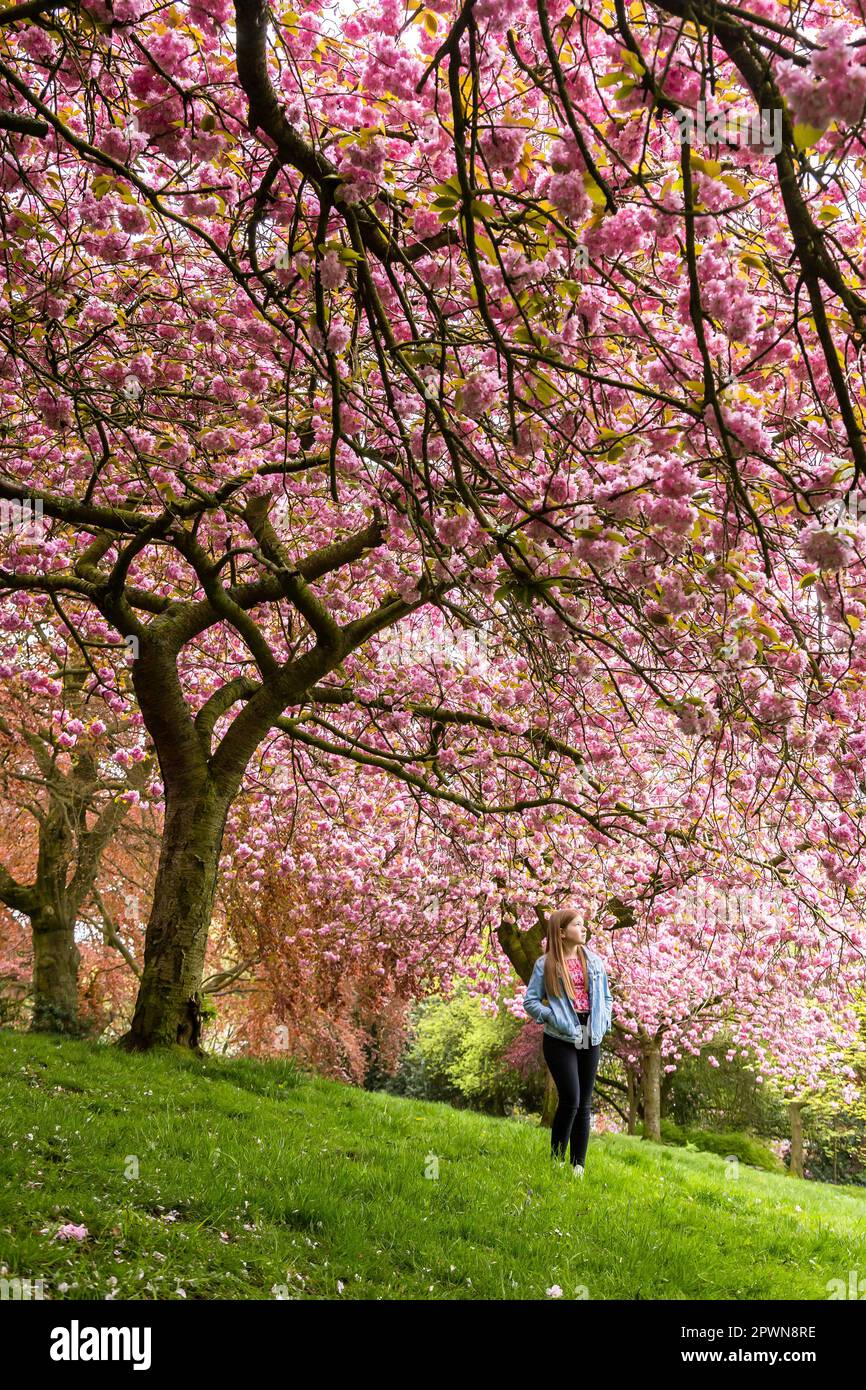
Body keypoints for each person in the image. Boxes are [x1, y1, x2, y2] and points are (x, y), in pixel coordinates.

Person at [523, 905, 614, 1177]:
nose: (583, 928)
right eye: (577, 925)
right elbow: (530, 1001)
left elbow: (606, 998)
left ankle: (578, 1167)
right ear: (562, 933)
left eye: (583, 924)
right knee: (571, 1100)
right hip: (561, 1037)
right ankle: (556, 1160)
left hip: (590, 1034)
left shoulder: (595, 962)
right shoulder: (546, 964)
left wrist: (604, 1021)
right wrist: (552, 1017)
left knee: (584, 1104)